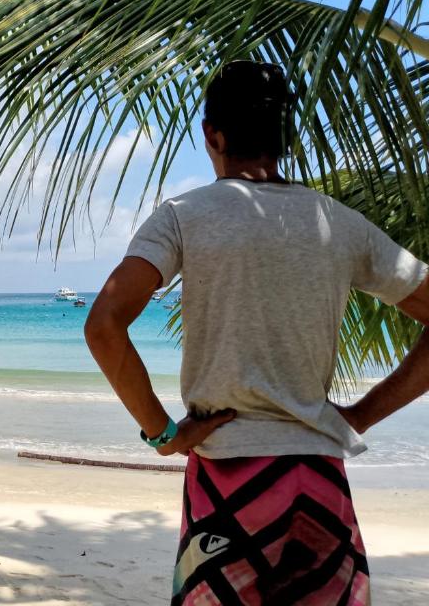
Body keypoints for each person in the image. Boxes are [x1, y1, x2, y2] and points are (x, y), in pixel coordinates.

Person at [84, 60, 429, 605]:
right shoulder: (337, 222)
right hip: (319, 481)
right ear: (280, 139)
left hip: (227, 478)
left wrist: (163, 435)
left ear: (212, 136)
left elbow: (104, 325)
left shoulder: (184, 215)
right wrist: (360, 414)